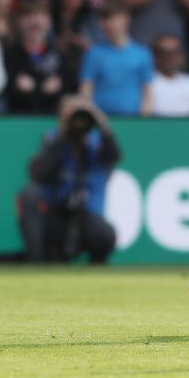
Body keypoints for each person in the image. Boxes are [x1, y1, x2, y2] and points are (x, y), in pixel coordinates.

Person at [18, 96, 119, 263]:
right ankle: (36, 265)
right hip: (57, 214)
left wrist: (103, 124)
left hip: (88, 214)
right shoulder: (53, 137)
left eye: (81, 111)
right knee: (29, 193)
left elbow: (114, 156)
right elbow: (39, 173)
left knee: (106, 234)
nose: (77, 119)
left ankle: (97, 270)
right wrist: (62, 136)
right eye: (70, 111)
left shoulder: (97, 141)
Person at [79, 3, 154, 116]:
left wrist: (144, 119)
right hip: (101, 120)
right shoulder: (94, 53)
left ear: (125, 20)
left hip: (132, 119)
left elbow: (147, 91)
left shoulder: (142, 53)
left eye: (111, 19)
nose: (106, 24)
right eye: (104, 20)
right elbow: (86, 88)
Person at [5, 3, 80, 114]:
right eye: (29, 16)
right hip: (18, 120)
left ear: (49, 22)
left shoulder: (60, 54)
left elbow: (72, 87)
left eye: (41, 16)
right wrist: (13, 83)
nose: (35, 22)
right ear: (20, 22)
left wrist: (61, 82)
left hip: (53, 120)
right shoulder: (9, 54)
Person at [149, 34, 189, 117]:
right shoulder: (147, 82)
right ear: (155, 56)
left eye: (175, 51)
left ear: (181, 55)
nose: (169, 56)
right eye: (164, 52)